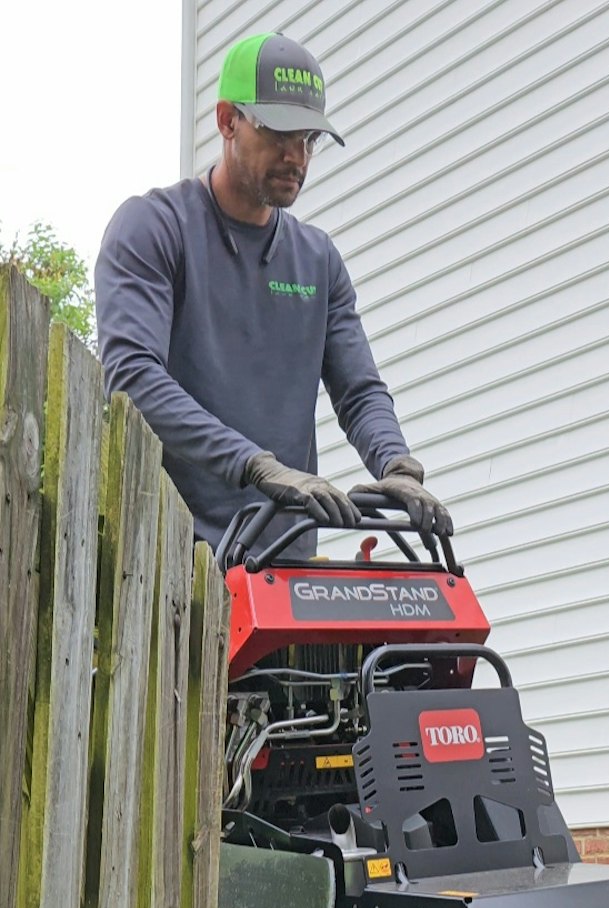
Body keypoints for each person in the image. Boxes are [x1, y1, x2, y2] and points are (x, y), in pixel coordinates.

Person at [95, 31, 450, 555]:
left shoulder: (317, 260)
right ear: (227, 121)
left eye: (309, 139)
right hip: (164, 558)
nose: (296, 156)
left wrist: (396, 464)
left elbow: (359, 391)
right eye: (280, 133)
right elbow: (133, 378)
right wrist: (255, 464)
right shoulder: (154, 228)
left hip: (280, 561)